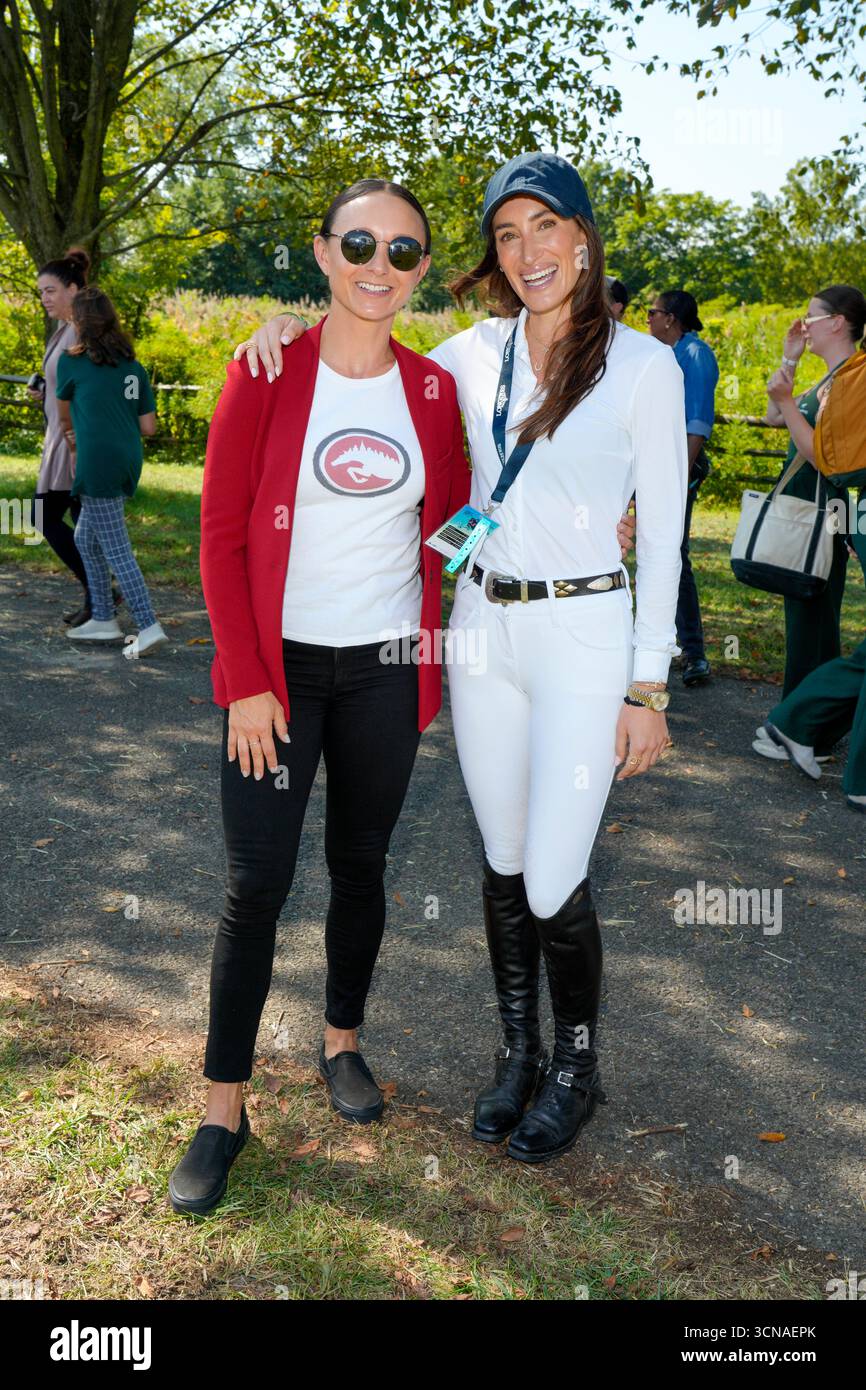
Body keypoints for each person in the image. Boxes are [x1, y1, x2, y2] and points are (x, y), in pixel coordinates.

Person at [239, 152, 687, 1166]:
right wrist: (275, 332)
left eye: (545, 228)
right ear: (492, 253)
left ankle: (574, 1069)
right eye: (505, 234)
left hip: (582, 638)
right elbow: (360, 347)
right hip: (481, 631)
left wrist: (646, 683)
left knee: (552, 876)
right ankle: (516, 1053)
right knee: (501, 859)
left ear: (581, 237)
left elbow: (660, 535)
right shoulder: (468, 357)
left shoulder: (643, 368)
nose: (527, 251)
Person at [168, 179, 476, 1216]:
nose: (376, 266)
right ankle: (221, 1108)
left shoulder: (433, 392)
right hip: (279, 672)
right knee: (255, 882)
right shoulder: (264, 368)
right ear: (322, 252)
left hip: (384, 666)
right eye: (358, 243)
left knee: (360, 864)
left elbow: (454, 522)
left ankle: (340, 1040)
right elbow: (219, 535)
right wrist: (246, 682)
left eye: (400, 252)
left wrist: (558, 544)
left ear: (421, 270)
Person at [751, 286, 866, 764]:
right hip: (815, 517)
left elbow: (822, 458)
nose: (804, 322)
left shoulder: (851, 381)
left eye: (812, 316)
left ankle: (798, 725)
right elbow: (774, 415)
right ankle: (803, 725)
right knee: (807, 618)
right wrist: (790, 359)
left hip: (829, 517)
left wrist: (789, 402)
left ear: (838, 322)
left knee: (813, 618)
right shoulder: (831, 379)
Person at [56, 287, 167, 659]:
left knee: (117, 549)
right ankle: (103, 616)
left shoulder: (71, 363)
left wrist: (76, 440)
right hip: (126, 459)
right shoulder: (132, 367)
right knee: (86, 539)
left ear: (79, 322)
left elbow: (63, 416)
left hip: (96, 462)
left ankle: (148, 624)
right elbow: (148, 426)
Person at [27, 248, 120, 626]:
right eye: (41, 293)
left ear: (72, 288)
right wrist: (43, 393)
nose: (44, 299)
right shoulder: (65, 330)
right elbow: (68, 385)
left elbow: (95, 387)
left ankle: (102, 598)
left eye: (50, 291)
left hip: (77, 444)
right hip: (61, 441)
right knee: (82, 528)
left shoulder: (83, 331)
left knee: (46, 517)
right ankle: (99, 600)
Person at [647, 290, 719, 686]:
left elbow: (697, 424)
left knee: (674, 554)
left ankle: (695, 654)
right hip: (654, 469)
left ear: (671, 318)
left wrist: (677, 477)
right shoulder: (665, 354)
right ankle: (668, 644)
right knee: (659, 552)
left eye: (652, 313)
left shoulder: (695, 354)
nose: (648, 319)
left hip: (677, 473)